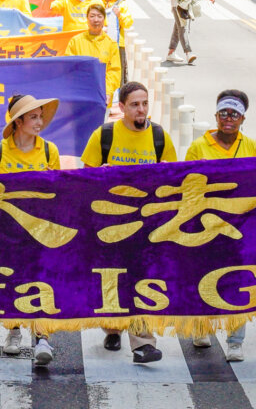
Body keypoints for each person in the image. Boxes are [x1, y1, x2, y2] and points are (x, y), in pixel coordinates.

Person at [80, 81, 177, 363]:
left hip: (146, 225)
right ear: (122, 107)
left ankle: (143, 342)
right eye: (135, 104)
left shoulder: (159, 136)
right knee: (112, 278)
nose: (141, 109)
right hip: (109, 223)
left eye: (145, 103)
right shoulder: (104, 135)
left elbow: (173, 177)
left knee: (141, 280)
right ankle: (112, 327)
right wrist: (100, 175)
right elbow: (84, 179)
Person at [183, 90, 256, 361]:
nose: (229, 119)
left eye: (234, 114)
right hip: (205, 226)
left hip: (240, 228)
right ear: (216, 116)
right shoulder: (198, 147)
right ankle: (201, 328)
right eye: (224, 113)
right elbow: (187, 186)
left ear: (243, 119)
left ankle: (235, 341)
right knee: (202, 278)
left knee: (238, 281)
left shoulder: (252, 147)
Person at [0, 94, 61, 365]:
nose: (39, 122)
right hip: (7, 230)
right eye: (33, 117)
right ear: (18, 122)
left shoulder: (50, 151)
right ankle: (13, 331)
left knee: (43, 281)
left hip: (41, 231)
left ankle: (43, 337)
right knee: (12, 280)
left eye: (40, 116)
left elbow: (58, 191)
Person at [65, 1, 122, 106]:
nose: (96, 20)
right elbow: (69, 67)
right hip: (80, 96)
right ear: (87, 19)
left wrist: (108, 91)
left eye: (99, 16)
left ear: (104, 20)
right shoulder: (75, 41)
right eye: (92, 16)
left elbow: (114, 72)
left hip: (102, 96)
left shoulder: (111, 44)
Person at [96, 0, 133, 85]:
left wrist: (119, 16)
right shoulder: (96, 2)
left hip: (117, 44)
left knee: (117, 73)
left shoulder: (122, 4)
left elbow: (128, 23)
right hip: (98, 43)